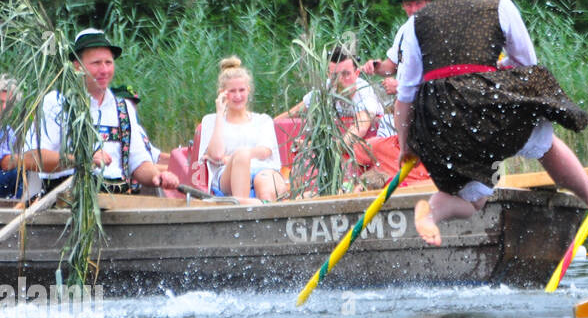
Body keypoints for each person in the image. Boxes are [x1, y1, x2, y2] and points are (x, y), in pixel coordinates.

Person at [394, 0, 588, 246]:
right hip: (481, 111)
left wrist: (405, 146)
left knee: (473, 199)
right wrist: (497, 69)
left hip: (436, 123)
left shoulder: (415, 23)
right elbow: (527, 64)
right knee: (542, 134)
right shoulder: (498, 5)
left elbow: (405, 95)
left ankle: (431, 214)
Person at [28, 29, 179, 194]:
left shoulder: (123, 107)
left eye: (108, 62)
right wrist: (81, 160)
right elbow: (33, 157)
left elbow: (138, 162)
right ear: (77, 66)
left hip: (117, 203)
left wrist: (157, 176)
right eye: (96, 63)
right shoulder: (57, 102)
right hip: (68, 202)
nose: (104, 70)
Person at [197, 57, 288, 202]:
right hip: (227, 175)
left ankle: (267, 214)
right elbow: (216, 154)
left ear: (248, 90)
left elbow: (265, 151)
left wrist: (232, 157)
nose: (238, 96)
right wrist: (220, 113)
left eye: (241, 90)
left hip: (262, 169)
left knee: (264, 187)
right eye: (232, 91)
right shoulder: (211, 120)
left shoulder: (263, 120)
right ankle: (243, 208)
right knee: (241, 157)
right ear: (222, 93)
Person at [278, 48, 393, 140]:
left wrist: (328, 150)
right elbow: (292, 113)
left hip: (368, 144)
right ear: (328, 75)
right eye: (334, 76)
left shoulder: (365, 92)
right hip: (340, 142)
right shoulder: (326, 89)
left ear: (357, 73)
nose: (340, 81)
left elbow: (360, 128)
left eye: (346, 74)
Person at [363, 0, 433, 98]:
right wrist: (375, 66)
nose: (413, 10)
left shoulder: (435, 31)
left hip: (427, 106)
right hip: (405, 104)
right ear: (403, 6)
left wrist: (401, 87)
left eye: (418, 3)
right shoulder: (404, 30)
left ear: (429, 2)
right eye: (408, 5)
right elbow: (391, 67)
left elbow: (436, 78)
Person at [0, 75, 28, 199]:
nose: (5, 107)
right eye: (1, 102)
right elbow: (6, 163)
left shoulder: (8, 130)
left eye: (9, 103)